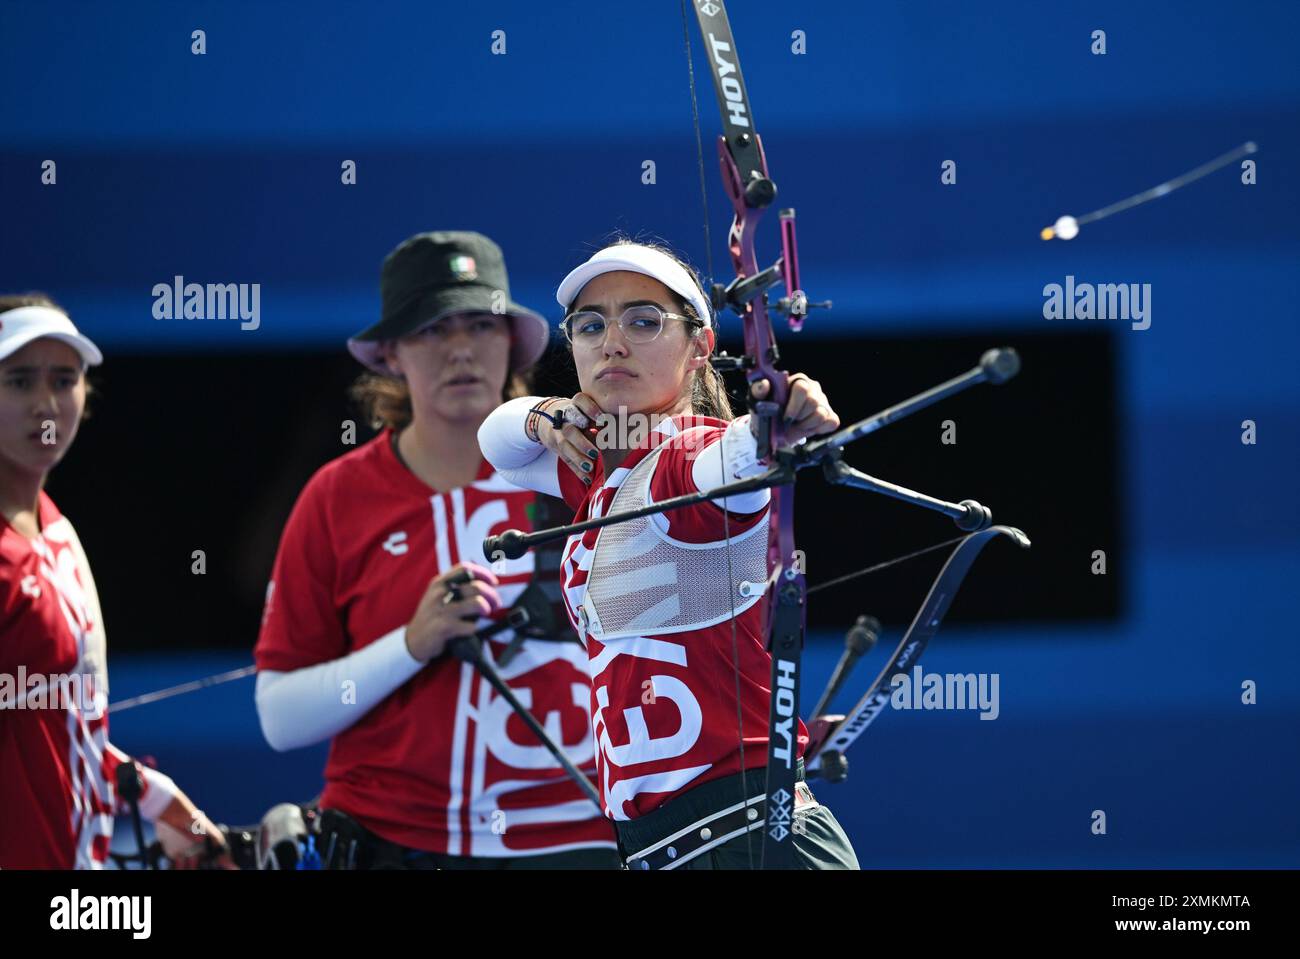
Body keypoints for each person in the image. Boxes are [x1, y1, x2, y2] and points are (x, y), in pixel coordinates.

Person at [478, 239, 861, 869]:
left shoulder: (690, 457)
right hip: (662, 850)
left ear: (702, 347)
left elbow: (731, 459)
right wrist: (545, 414)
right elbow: (497, 438)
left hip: (752, 841)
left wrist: (774, 425)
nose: (613, 341)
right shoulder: (599, 468)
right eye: (591, 325)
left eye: (644, 320)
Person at [254, 231, 620, 869]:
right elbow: (281, 719)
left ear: (511, 342)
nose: (460, 351)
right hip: (395, 844)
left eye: (481, 325)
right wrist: (412, 643)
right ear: (391, 354)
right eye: (430, 330)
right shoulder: (337, 497)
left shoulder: (591, 471)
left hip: (577, 838)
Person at [0, 294, 233, 869]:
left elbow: (67, 729)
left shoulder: (55, 530)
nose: (46, 404)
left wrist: (161, 802)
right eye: (20, 381)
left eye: (64, 379)